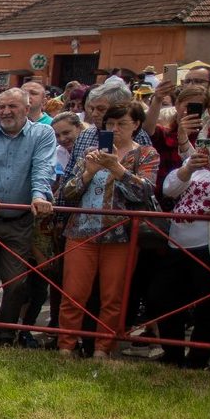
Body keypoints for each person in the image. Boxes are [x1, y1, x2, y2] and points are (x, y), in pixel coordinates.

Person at [56, 102, 159, 359]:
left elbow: (144, 191)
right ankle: (65, 347)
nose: (114, 129)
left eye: (121, 124)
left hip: (121, 236)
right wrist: (88, 174)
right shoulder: (90, 154)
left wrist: (117, 168)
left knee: (112, 296)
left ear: (136, 125)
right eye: (110, 124)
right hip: (81, 232)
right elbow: (67, 193)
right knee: (73, 293)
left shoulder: (145, 154)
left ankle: (103, 349)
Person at [0, 88, 57, 345]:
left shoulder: (43, 134)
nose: (6, 112)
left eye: (13, 107)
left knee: (16, 282)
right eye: (2, 107)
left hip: (20, 219)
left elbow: (43, 166)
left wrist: (39, 195)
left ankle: (6, 332)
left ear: (27, 110)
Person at [154, 136, 210, 367]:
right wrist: (189, 167)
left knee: (208, 306)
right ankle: (172, 354)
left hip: (209, 247)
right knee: (163, 297)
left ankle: (198, 359)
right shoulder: (198, 163)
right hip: (177, 243)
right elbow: (169, 189)